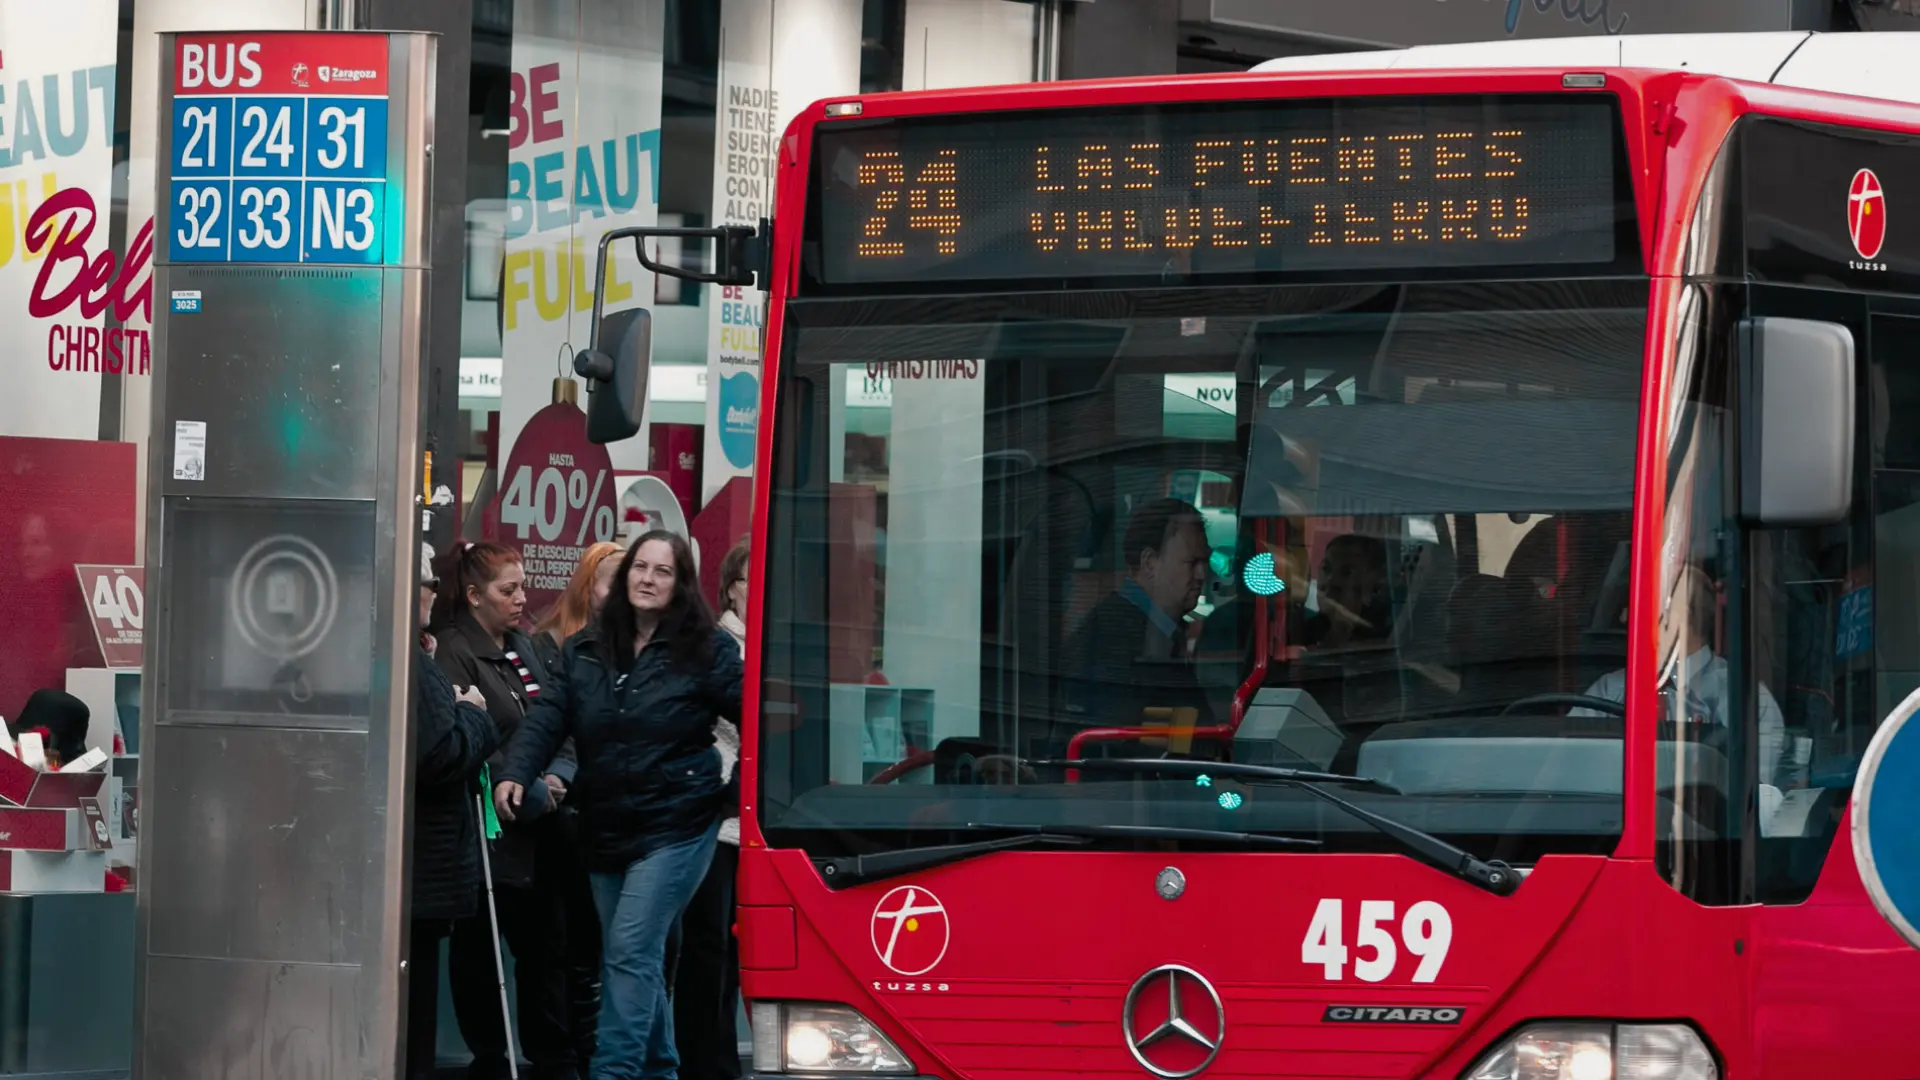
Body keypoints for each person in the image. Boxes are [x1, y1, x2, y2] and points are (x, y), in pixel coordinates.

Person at [494, 531, 742, 1080]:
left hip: (679, 823)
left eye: (663, 571)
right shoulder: (584, 647)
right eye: (640, 568)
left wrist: (737, 792)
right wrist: (517, 771)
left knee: (629, 951)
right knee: (634, 957)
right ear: (626, 573)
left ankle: (615, 1072)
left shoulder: (706, 648)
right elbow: (549, 716)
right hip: (606, 824)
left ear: (680, 586)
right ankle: (658, 1069)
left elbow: (763, 721)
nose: (648, 579)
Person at [433, 541, 576, 1080]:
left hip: (547, 830)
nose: (521, 599)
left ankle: (552, 1058)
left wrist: (559, 774)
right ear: (473, 596)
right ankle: (491, 1060)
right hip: (490, 830)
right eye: (507, 589)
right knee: (480, 956)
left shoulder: (528, 646)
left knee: (549, 952)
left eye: (522, 587)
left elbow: (559, 715)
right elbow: (470, 734)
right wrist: (523, 785)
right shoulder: (455, 651)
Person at [529, 540, 625, 1073]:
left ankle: (595, 1051)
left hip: (605, 813)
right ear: (589, 586)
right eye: (613, 581)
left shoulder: (631, 648)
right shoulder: (550, 646)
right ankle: (572, 1052)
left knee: (600, 945)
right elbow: (551, 727)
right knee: (562, 944)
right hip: (562, 814)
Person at [406, 539, 500, 1080]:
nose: (433, 594)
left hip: (422, 872)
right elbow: (437, 755)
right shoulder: (415, 661)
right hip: (423, 868)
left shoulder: (416, 653)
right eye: (428, 584)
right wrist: (474, 714)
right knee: (413, 1011)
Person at [1572, 564, 1787, 785]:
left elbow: (1755, 790)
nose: (1626, 618)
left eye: (1641, 607)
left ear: (1676, 620)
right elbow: (1569, 760)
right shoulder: (1611, 688)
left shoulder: (1744, 697)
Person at [671, 539, 747, 1080]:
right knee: (708, 951)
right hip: (716, 820)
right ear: (730, 588)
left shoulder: (767, 643)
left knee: (737, 957)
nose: (753, 590)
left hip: (754, 824)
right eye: (746, 580)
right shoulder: (718, 644)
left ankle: (721, 1059)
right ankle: (703, 1062)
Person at [1056, 498, 1215, 753]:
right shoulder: (1113, 640)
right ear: (1150, 563)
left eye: (1205, 562)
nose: (1202, 575)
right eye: (1192, 562)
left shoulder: (1157, 633)